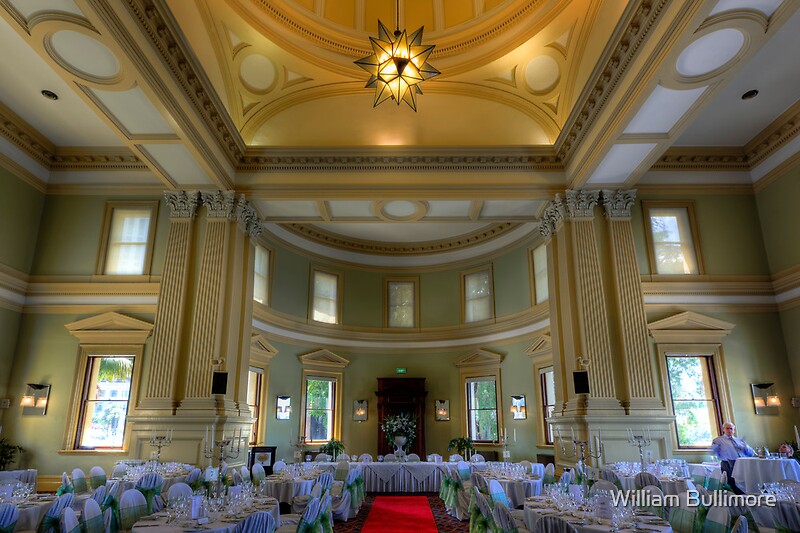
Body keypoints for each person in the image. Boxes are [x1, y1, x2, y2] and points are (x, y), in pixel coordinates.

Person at [711, 422, 754, 494]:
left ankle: (743, 499)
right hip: (727, 464)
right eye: (727, 428)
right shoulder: (718, 440)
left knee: (743, 483)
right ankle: (735, 501)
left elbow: (751, 454)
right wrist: (714, 447)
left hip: (741, 464)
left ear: (734, 430)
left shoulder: (739, 441)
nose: (729, 430)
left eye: (731, 428)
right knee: (732, 483)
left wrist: (745, 447)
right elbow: (713, 452)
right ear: (723, 430)